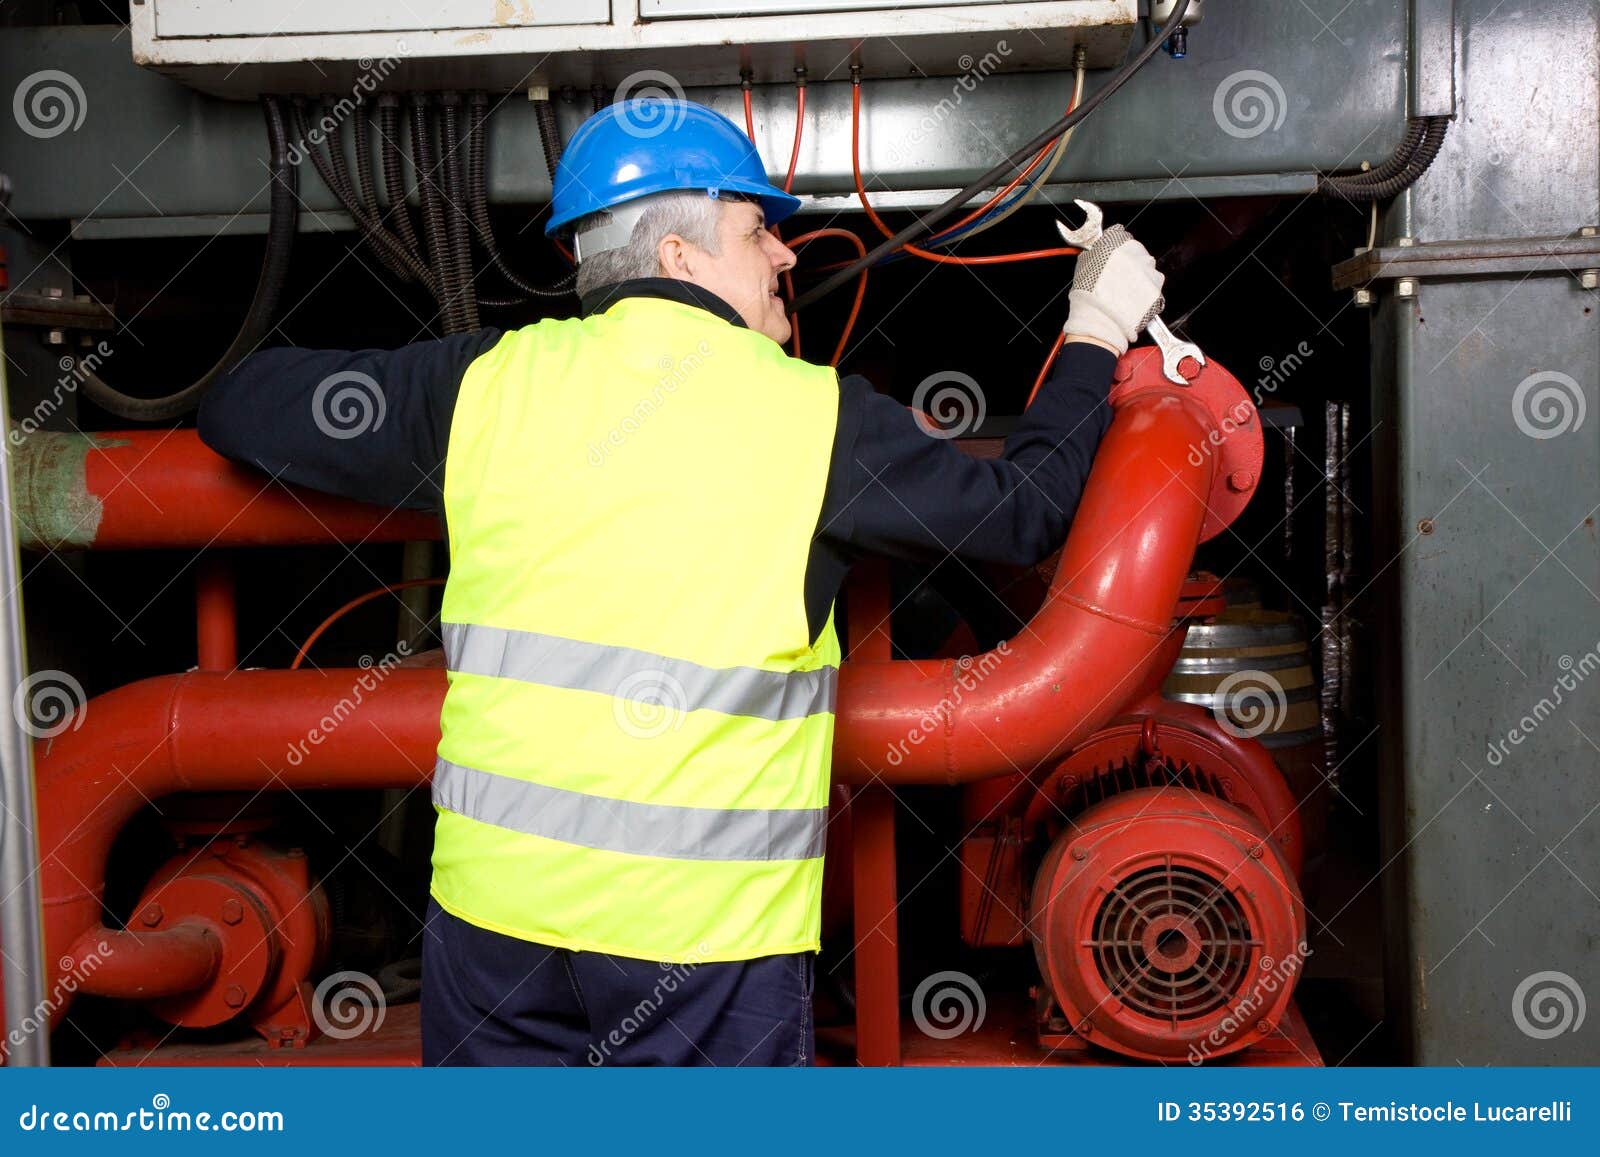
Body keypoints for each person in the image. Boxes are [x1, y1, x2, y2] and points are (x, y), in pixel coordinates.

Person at [196, 97, 1165, 1066]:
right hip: (705, 948)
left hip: (491, 933)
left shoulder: (484, 383)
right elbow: (1023, 512)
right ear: (678, 255)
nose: (785, 253)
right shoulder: (819, 421)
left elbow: (239, 406)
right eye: (755, 230)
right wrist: (1094, 329)